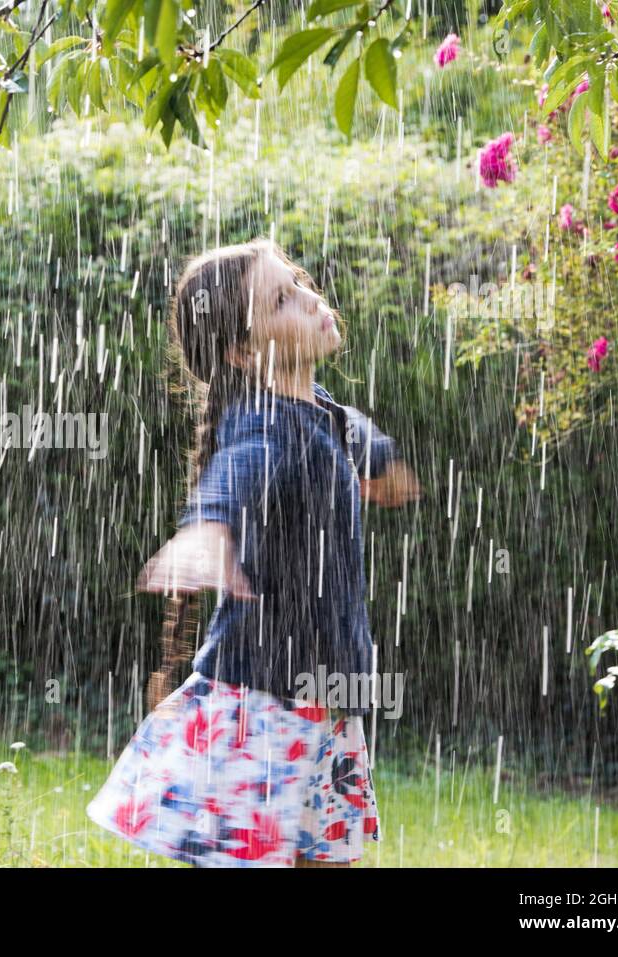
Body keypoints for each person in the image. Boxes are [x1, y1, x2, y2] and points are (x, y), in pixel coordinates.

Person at [86, 237, 421, 867]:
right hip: (266, 701)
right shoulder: (263, 423)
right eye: (282, 300)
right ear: (243, 352)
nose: (311, 300)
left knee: (325, 858)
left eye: (297, 282)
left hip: (322, 694)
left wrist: (387, 471)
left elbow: (363, 439)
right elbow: (239, 470)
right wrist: (208, 530)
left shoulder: (327, 416)